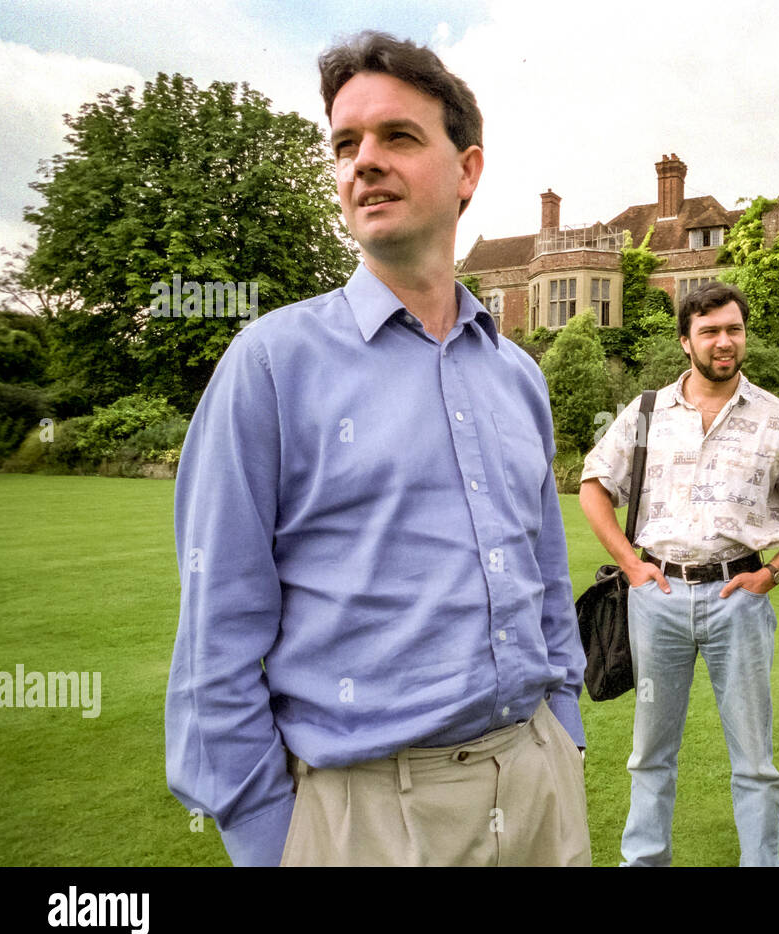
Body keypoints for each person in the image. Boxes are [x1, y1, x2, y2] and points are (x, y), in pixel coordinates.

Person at [165, 31, 590, 867]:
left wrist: (564, 732)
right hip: (364, 818)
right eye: (346, 143)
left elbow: (543, 576)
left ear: (467, 171)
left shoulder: (517, 377)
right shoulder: (272, 366)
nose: (365, 161)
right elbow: (218, 637)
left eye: (398, 136)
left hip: (537, 792)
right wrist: (269, 839)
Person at [580, 282, 779, 866]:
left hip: (738, 599)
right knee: (650, 753)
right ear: (685, 341)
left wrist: (771, 575)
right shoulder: (647, 413)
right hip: (657, 597)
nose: (725, 342)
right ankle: (644, 862)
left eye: (734, 329)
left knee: (754, 758)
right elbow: (594, 486)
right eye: (710, 331)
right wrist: (630, 564)